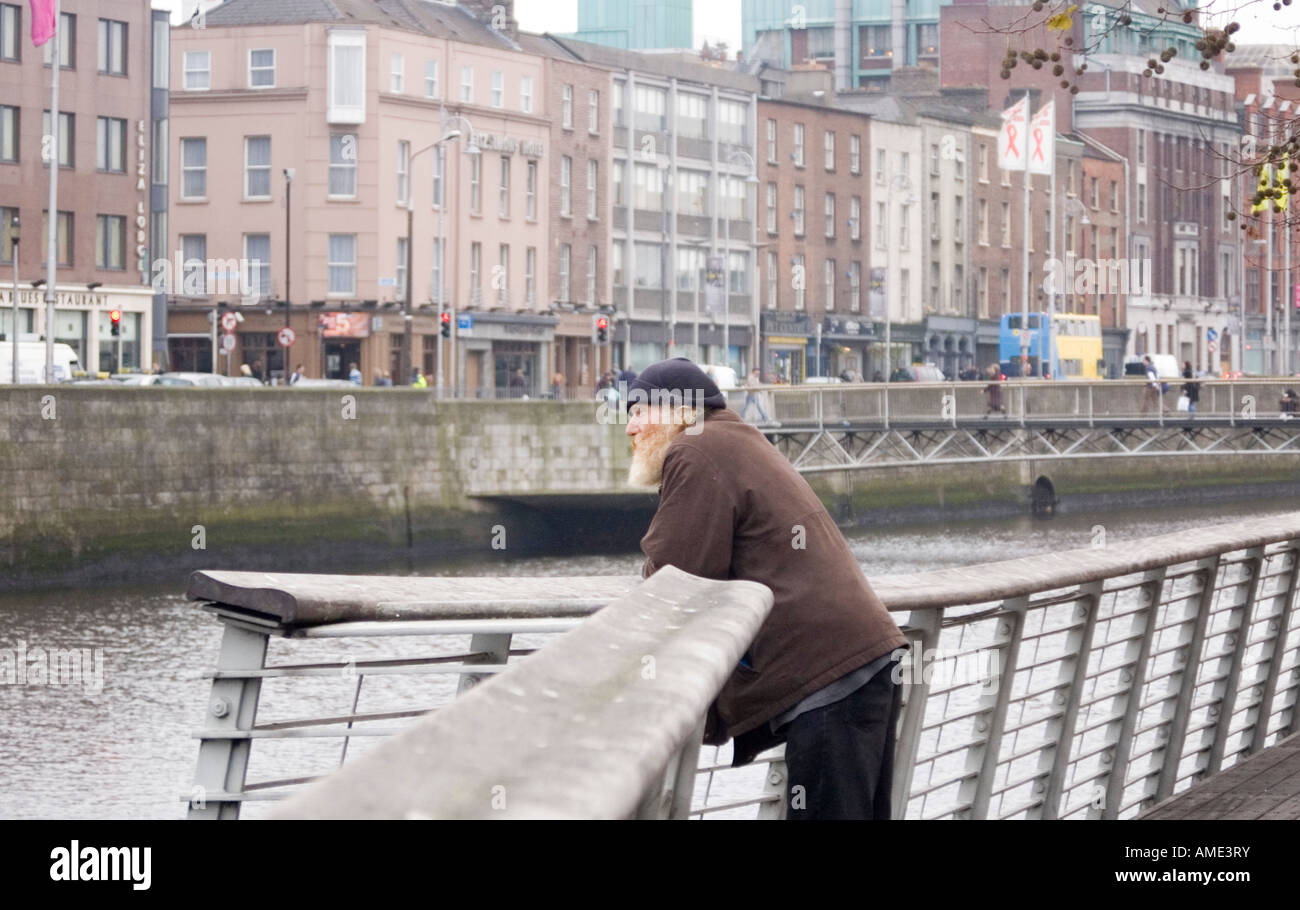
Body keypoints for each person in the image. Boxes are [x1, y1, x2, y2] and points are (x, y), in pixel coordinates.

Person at [626, 358, 908, 820]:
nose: (631, 428)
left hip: (831, 676)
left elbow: (677, 576)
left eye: (638, 412)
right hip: (859, 664)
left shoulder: (693, 450)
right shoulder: (729, 438)